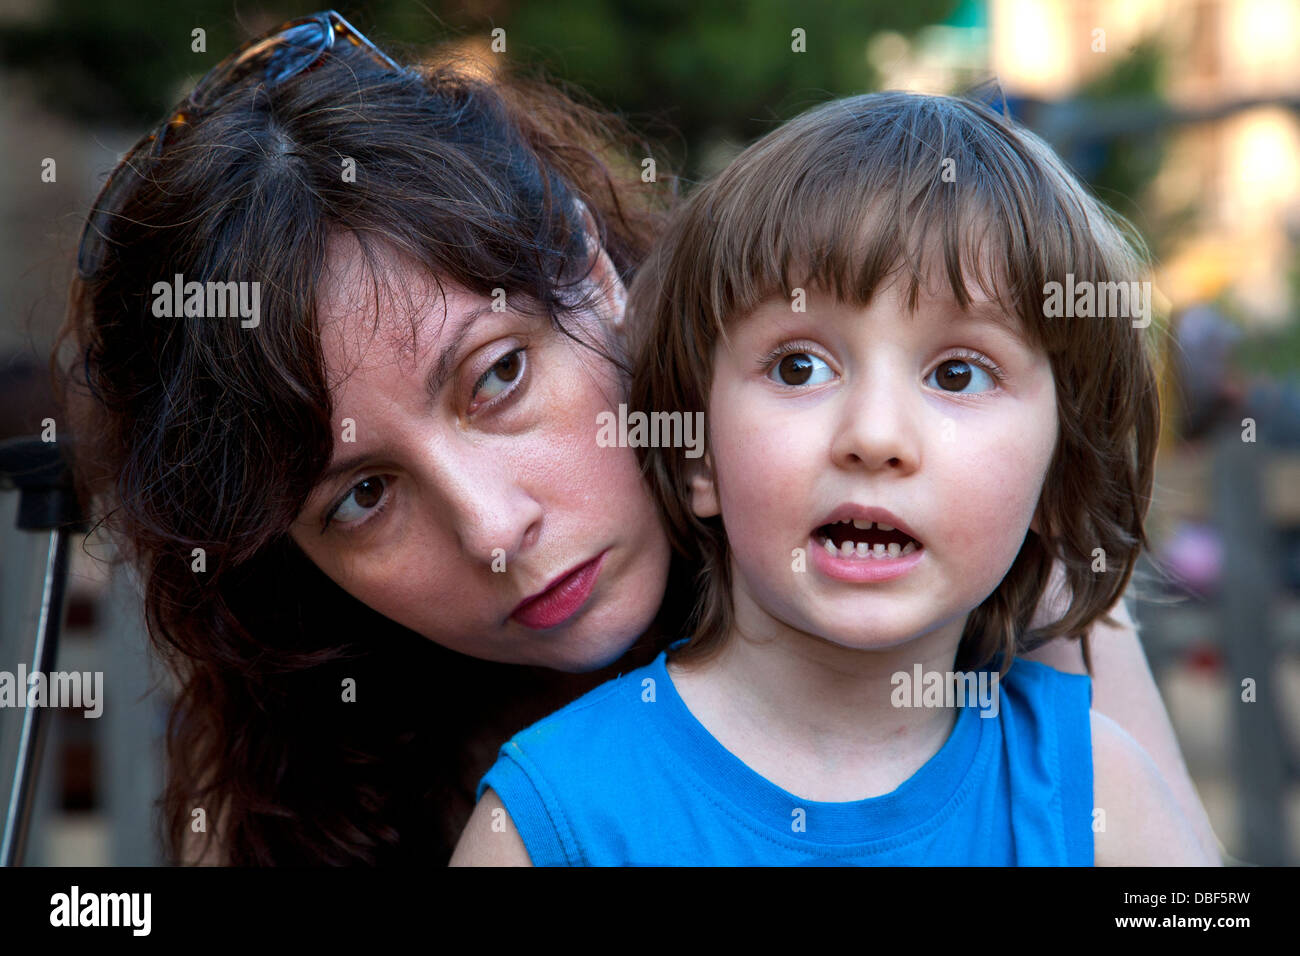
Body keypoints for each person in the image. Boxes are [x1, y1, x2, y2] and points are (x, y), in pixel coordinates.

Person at [53, 13, 1215, 865]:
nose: (495, 527)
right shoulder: (387, 800)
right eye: (359, 496)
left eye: (497, 377)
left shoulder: (951, 523)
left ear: (603, 275)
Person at [452, 91, 1218, 865]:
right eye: (799, 365)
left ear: (1059, 482)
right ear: (698, 456)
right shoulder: (548, 823)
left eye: (958, 374)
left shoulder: (1097, 793)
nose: (875, 436)